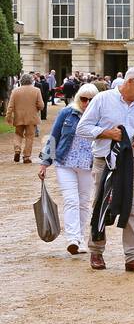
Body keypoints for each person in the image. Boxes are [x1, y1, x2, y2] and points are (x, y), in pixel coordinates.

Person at [75, 66, 134, 272]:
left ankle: (132, 256)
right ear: (130, 82)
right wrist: (106, 133)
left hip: (133, 162)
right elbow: (82, 128)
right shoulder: (102, 99)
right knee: (101, 204)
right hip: (105, 160)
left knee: (132, 207)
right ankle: (96, 251)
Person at [37, 82, 99, 255]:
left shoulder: (99, 117)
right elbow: (54, 137)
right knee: (71, 200)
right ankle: (72, 238)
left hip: (88, 165)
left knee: (84, 203)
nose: (86, 103)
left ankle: (80, 237)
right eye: (83, 99)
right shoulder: (67, 113)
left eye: (90, 100)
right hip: (65, 163)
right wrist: (44, 163)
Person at [5, 74, 44, 163]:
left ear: (21, 81)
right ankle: (26, 157)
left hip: (18, 117)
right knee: (29, 137)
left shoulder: (15, 91)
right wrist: (37, 108)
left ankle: (17, 149)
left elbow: (10, 106)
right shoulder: (36, 90)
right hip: (32, 117)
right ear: (31, 80)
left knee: (18, 134)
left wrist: (8, 116)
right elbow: (41, 106)